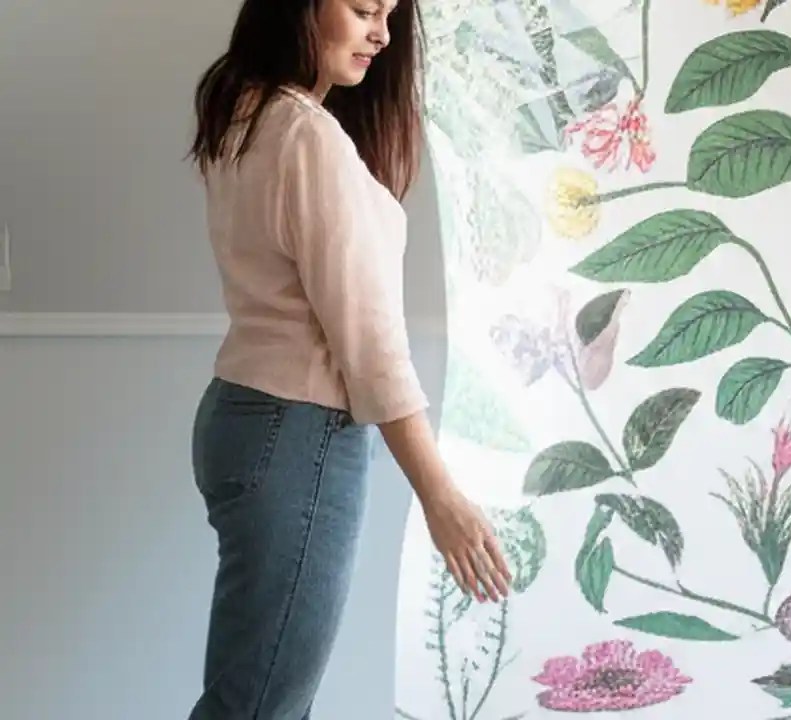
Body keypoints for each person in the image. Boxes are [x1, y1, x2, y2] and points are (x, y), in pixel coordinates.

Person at [184, 1, 511, 717]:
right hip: (297, 432)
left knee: (248, 693)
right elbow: (369, 341)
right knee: (263, 703)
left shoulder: (240, 111)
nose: (383, 33)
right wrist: (439, 494)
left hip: (241, 416)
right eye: (363, 8)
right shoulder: (307, 136)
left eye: (390, 12)